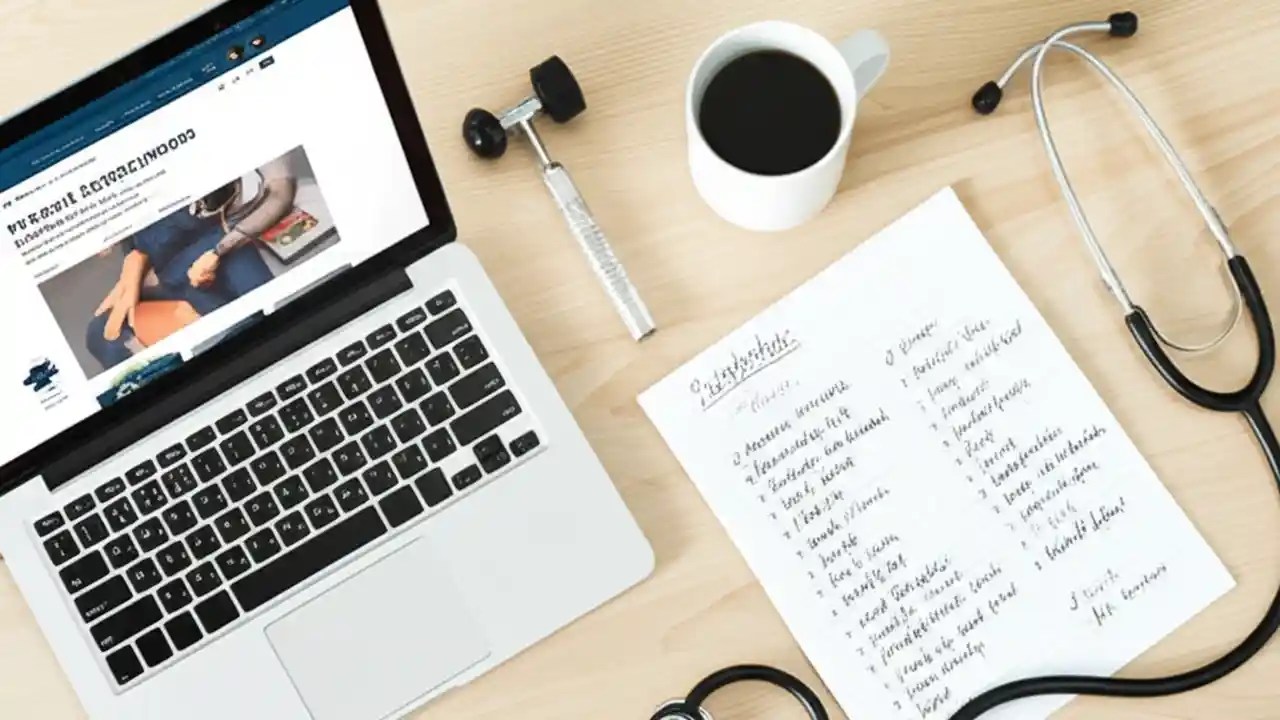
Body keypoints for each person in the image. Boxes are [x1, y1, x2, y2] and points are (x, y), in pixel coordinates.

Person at [87, 157, 296, 371]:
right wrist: (134, 258)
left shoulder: (230, 237)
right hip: (167, 270)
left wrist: (219, 250)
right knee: (99, 334)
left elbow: (281, 191)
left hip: (215, 263)